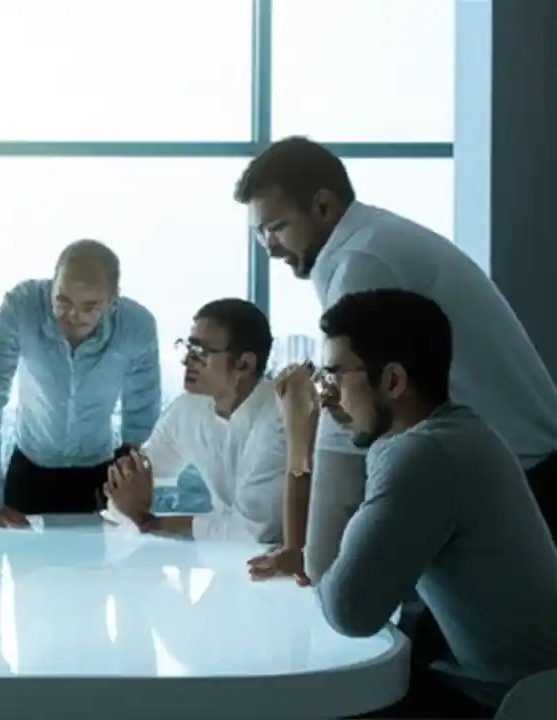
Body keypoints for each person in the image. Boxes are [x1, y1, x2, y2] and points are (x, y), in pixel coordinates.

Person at [235, 136, 557, 583]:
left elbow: (344, 416)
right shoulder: (369, 242)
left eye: (277, 227)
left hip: (519, 483)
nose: (268, 246)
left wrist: (313, 556)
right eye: (259, 232)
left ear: (323, 206)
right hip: (510, 472)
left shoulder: (362, 263)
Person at [277, 290, 557, 717]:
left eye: (335, 376)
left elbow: (349, 611)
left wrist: (300, 436)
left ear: (393, 381)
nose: (326, 396)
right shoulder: (454, 433)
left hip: (510, 699)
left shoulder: (424, 455)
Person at [0, 239, 161, 525]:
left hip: (99, 473)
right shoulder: (22, 306)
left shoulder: (137, 326)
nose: (73, 316)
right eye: (63, 301)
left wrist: (129, 482)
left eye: (89, 307)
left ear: (113, 301)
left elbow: (141, 408)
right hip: (29, 467)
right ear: (52, 285)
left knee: (95, 555)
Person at [103, 299, 285, 544]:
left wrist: (149, 522)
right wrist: (125, 489)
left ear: (244, 364)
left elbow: (255, 533)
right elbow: (130, 485)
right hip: (226, 556)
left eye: (200, 352)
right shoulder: (189, 408)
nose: (186, 361)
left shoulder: (277, 418)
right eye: (187, 347)